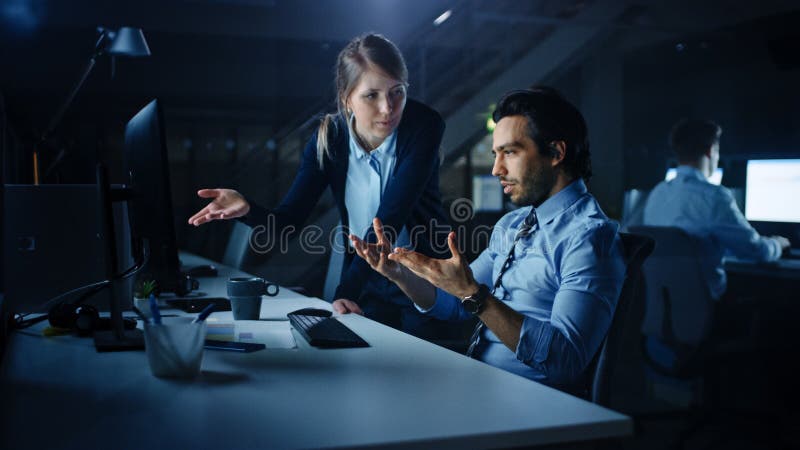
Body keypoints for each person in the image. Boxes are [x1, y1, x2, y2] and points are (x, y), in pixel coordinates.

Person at [334, 87, 626, 393]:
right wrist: (402, 276)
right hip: (479, 385)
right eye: (496, 154)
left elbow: (565, 360)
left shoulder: (589, 238)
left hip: (529, 404)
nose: (497, 169)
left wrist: (475, 295)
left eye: (510, 152)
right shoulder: (514, 223)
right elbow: (458, 306)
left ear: (555, 153)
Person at [188, 33, 457, 341]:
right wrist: (248, 210)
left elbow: (390, 219)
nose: (388, 108)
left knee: (425, 377)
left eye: (397, 92)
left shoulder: (423, 125)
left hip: (424, 277)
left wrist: (345, 292)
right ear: (346, 97)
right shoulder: (329, 139)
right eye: (372, 95)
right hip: (366, 280)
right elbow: (289, 221)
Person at [642, 119, 790, 300]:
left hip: (662, 307)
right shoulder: (714, 196)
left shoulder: (658, 193)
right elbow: (755, 250)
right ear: (711, 150)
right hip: (707, 307)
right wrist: (777, 244)